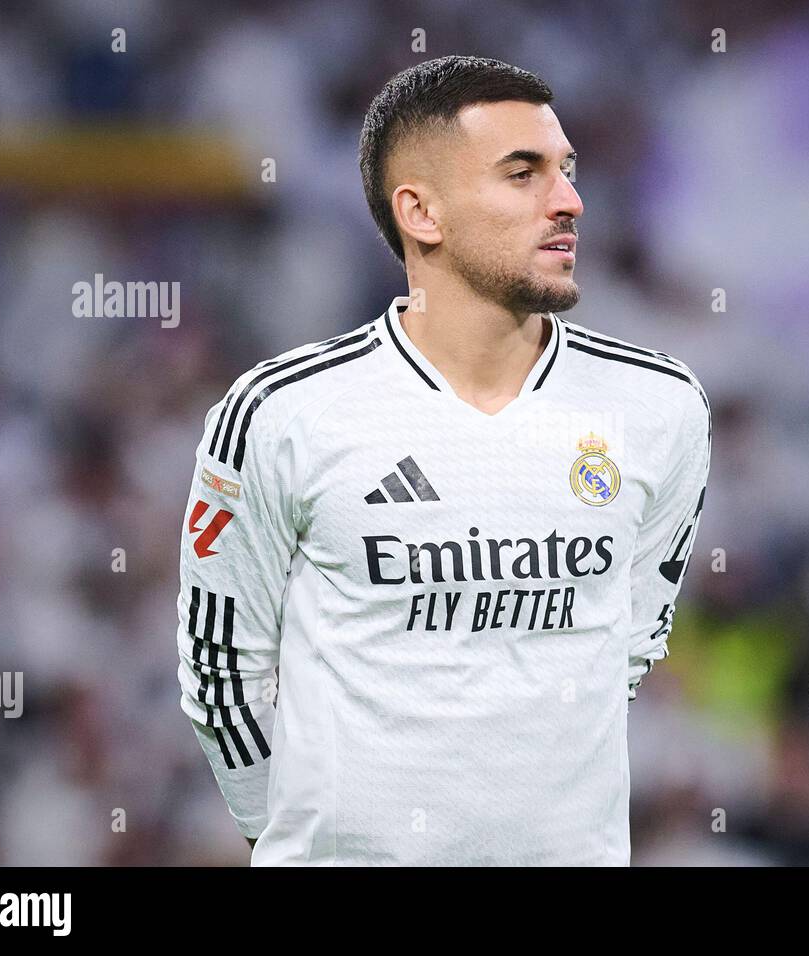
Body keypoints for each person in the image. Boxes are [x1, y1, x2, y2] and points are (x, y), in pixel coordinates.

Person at [174, 55, 711, 865]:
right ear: (421, 212)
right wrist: (306, 838)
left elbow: (626, 648)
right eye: (522, 174)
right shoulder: (283, 412)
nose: (569, 201)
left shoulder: (660, 407)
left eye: (566, 171)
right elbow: (222, 671)